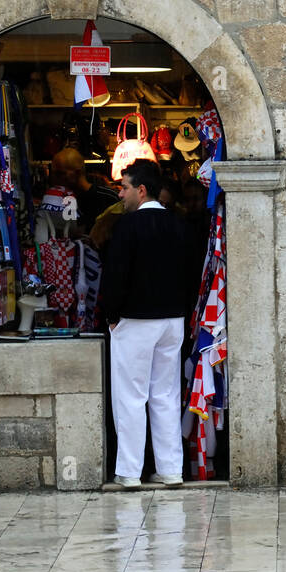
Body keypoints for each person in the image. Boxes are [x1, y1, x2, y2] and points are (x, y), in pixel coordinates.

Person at [101, 160, 191, 489]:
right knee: (166, 394)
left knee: (130, 396)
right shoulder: (180, 225)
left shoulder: (127, 227)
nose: (120, 194)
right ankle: (170, 469)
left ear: (141, 190)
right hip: (173, 320)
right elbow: (191, 273)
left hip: (136, 320)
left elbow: (115, 276)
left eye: (123, 187)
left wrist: (111, 315)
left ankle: (129, 471)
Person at [50, 148, 118, 235]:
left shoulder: (108, 198)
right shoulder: (61, 199)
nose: (56, 179)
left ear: (77, 173)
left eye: (61, 173)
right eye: (55, 174)